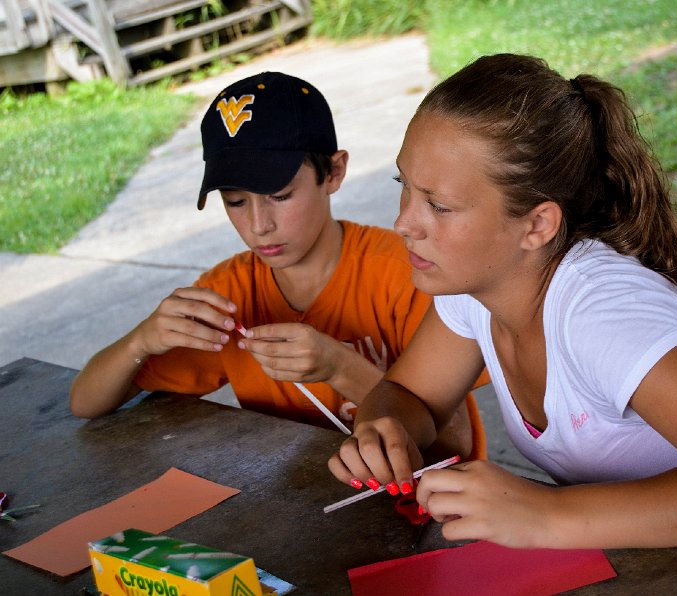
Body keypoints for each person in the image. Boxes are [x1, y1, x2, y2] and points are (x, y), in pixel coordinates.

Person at [327, 53, 677, 548]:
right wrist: (383, 433)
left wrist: (545, 514)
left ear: (537, 225)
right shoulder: (478, 289)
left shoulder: (599, 314)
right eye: (405, 186)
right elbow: (411, 396)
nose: (403, 224)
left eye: (438, 205)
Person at [69, 71, 486, 473]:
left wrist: (340, 367)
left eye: (280, 195)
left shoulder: (407, 274)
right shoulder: (229, 294)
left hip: (426, 508)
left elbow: (456, 446)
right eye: (235, 202)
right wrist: (141, 339)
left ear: (334, 173)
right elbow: (85, 402)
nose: (258, 224)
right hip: (299, 501)